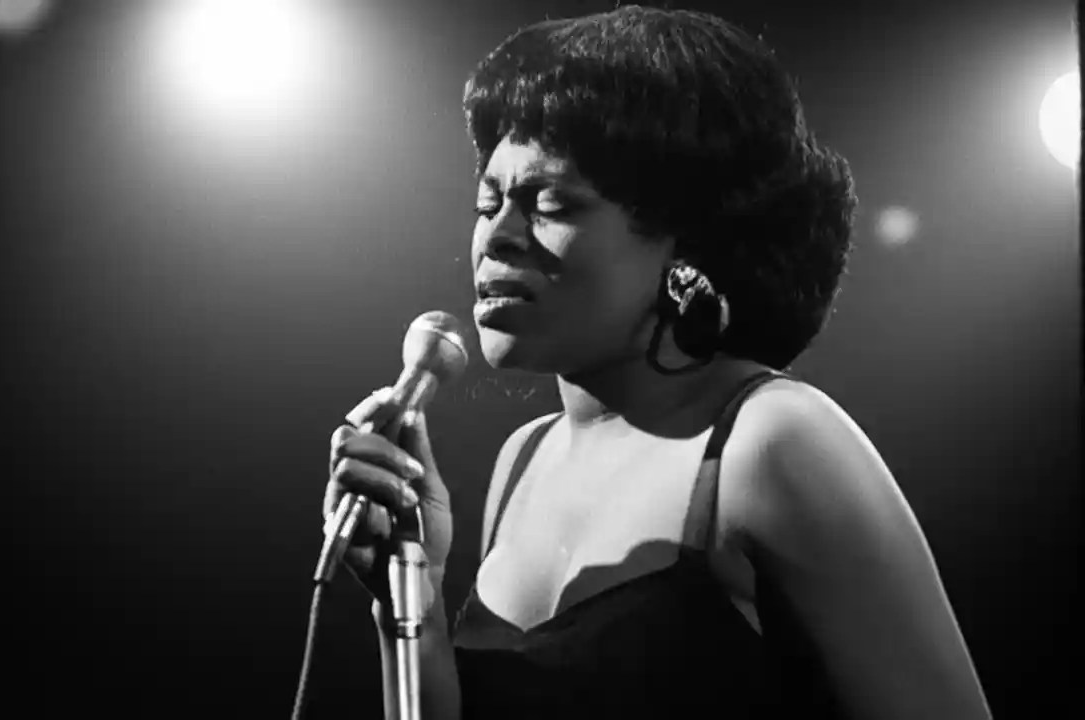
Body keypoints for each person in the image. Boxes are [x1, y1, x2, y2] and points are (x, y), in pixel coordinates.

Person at [323, 6, 991, 719]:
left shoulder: (772, 440)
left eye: (549, 202)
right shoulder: (523, 460)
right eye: (487, 203)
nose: (499, 237)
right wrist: (413, 600)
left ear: (686, 242)